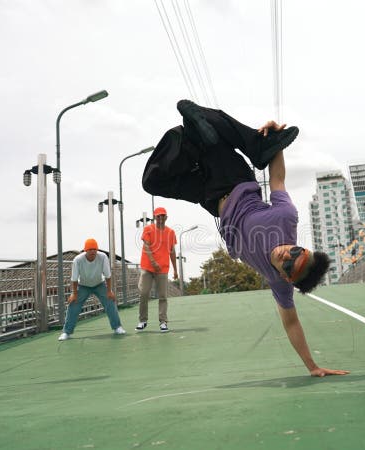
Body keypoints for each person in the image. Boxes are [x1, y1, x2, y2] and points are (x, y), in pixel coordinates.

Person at [141, 100, 349, 377]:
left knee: (152, 182)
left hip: (209, 197)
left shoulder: (279, 284)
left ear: (286, 278)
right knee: (202, 128)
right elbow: (277, 178)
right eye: (296, 251)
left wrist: (312, 366)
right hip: (235, 179)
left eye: (289, 265)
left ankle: (187, 141)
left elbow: (291, 323)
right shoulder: (285, 217)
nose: (286, 254)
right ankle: (253, 143)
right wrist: (275, 142)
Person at [58, 238, 126, 341]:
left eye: (95, 249)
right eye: (90, 249)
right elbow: (74, 278)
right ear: (85, 250)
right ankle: (66, 332)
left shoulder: (103, 257)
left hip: (99, 284)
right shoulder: (78, 260)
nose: (93, 251)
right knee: (73, 304)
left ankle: (117, 327)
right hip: (83, 285)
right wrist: (74, 294)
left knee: (110, 302)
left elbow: (107, 275)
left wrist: (109, 291)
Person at [136, 206, 178, 332]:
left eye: (162, 216)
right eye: (158, 216)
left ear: (166, 218)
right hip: (148, 267)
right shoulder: (148, 229)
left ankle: (163, 322)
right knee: (144, 293)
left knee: (163, 296)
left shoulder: (171, 233)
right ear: (155, 217)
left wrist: (175, 270)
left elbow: (172, 251)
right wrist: (153, 262)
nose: (160, 218)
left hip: (163, 269)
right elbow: (147, 246)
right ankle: (142, 321)